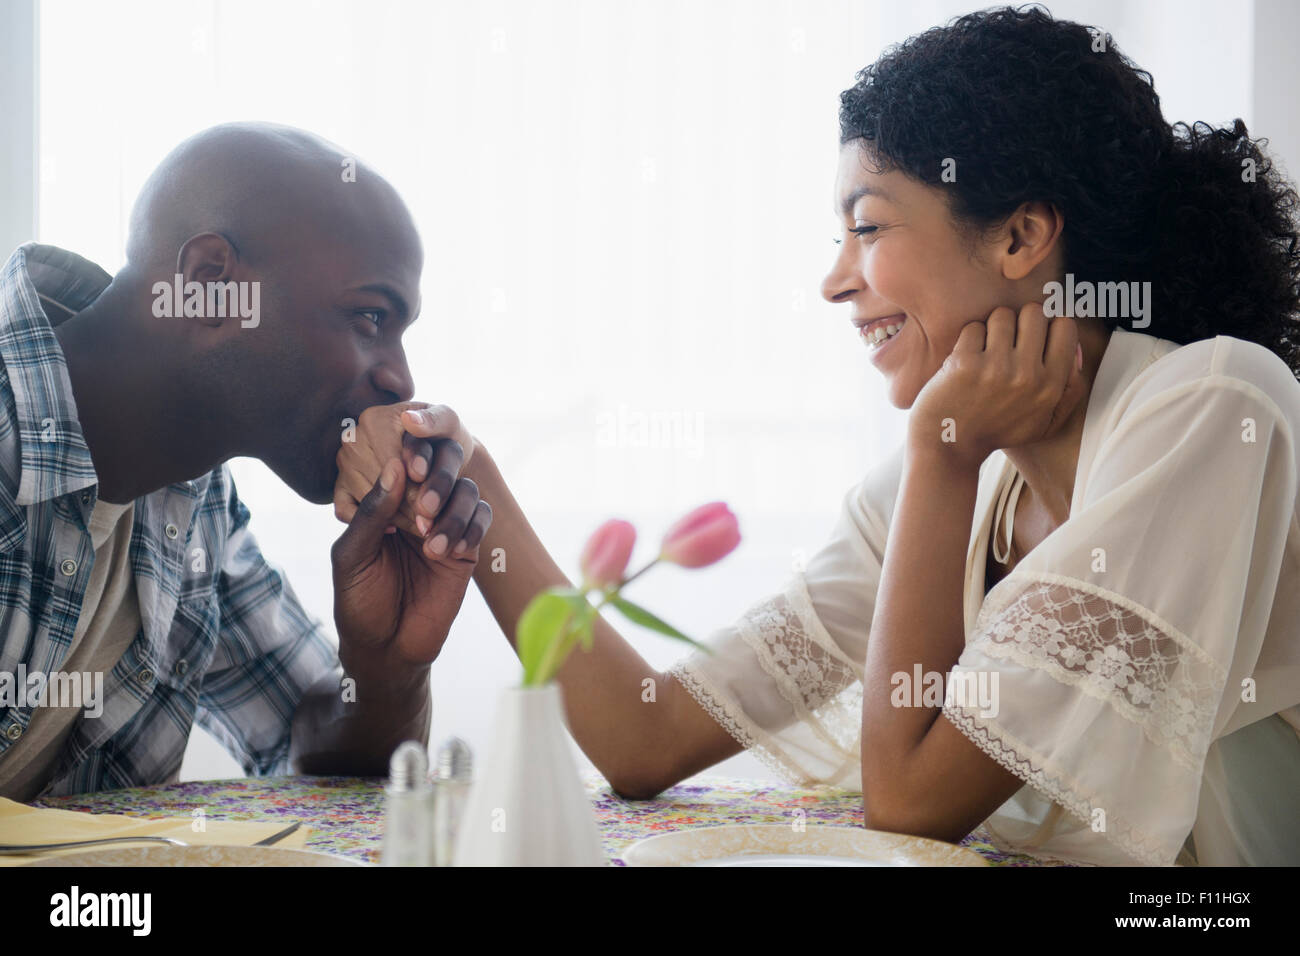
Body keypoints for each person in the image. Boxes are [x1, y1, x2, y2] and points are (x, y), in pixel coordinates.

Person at [339, 7, 1300, 866]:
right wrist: (474, 482)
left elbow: (910, 808)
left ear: (1020, 238)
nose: (836, 280)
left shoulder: (1213, 405)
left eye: (869, 226)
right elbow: (648, 737)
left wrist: (945, 451)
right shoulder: (946, 483)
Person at [0, 123, 490, 801]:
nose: (401, 382)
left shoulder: (193, 504)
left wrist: (384, 667)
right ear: (209, 287)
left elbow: (308, 754)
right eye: (371, 318)